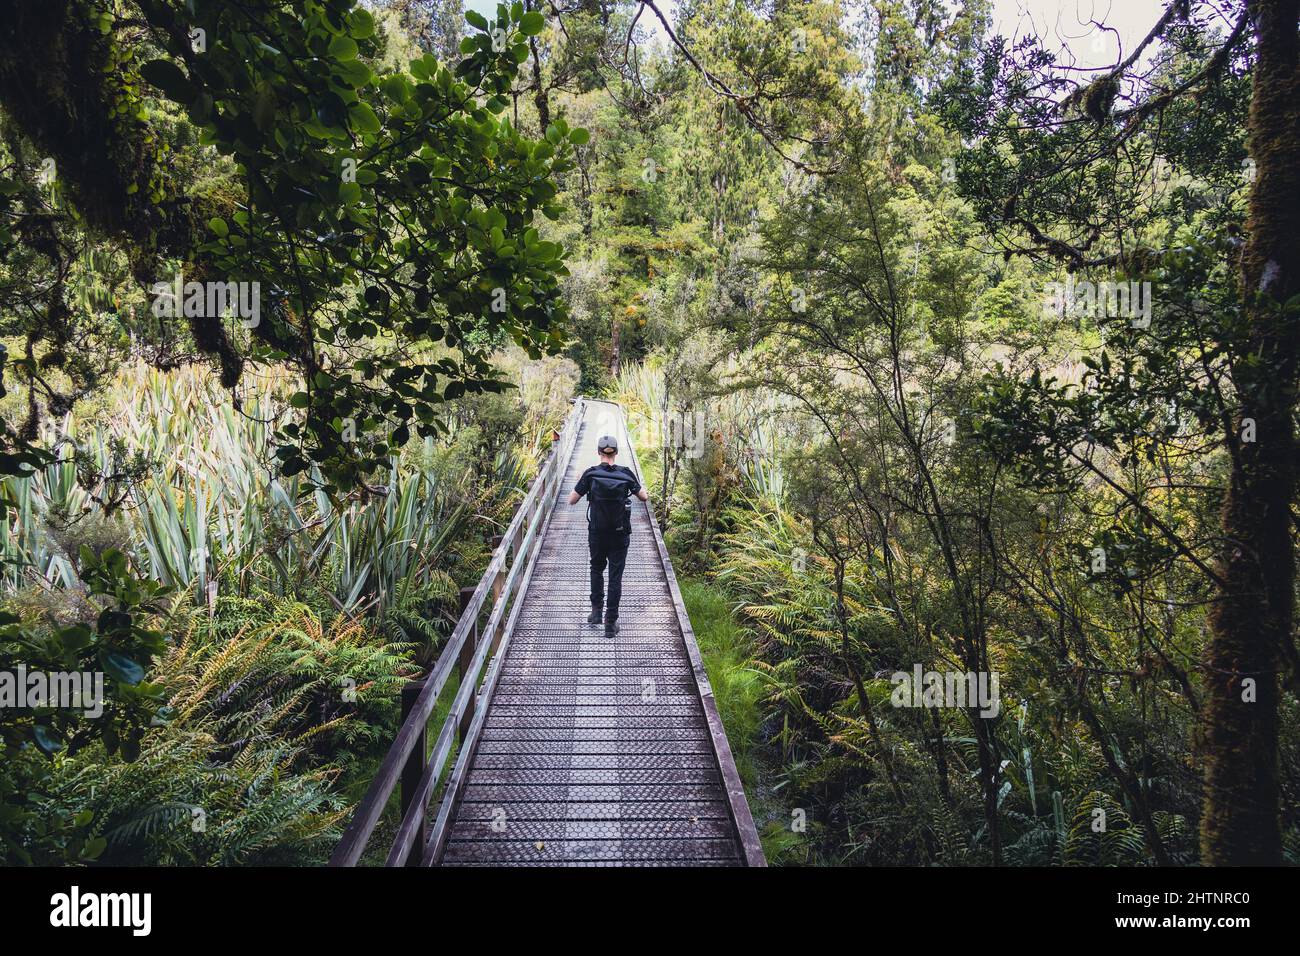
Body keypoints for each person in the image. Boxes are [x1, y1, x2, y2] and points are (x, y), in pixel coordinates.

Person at [568, 434, 648, 637]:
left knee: (596, 569)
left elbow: (571, 500)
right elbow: (644, 497)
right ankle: (610, 623)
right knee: (615, 577)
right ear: (617, 453)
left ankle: (596, 612)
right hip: (619, 534)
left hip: (597, 533)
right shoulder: (626, 474)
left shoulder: (591, 474)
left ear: (599, 453)